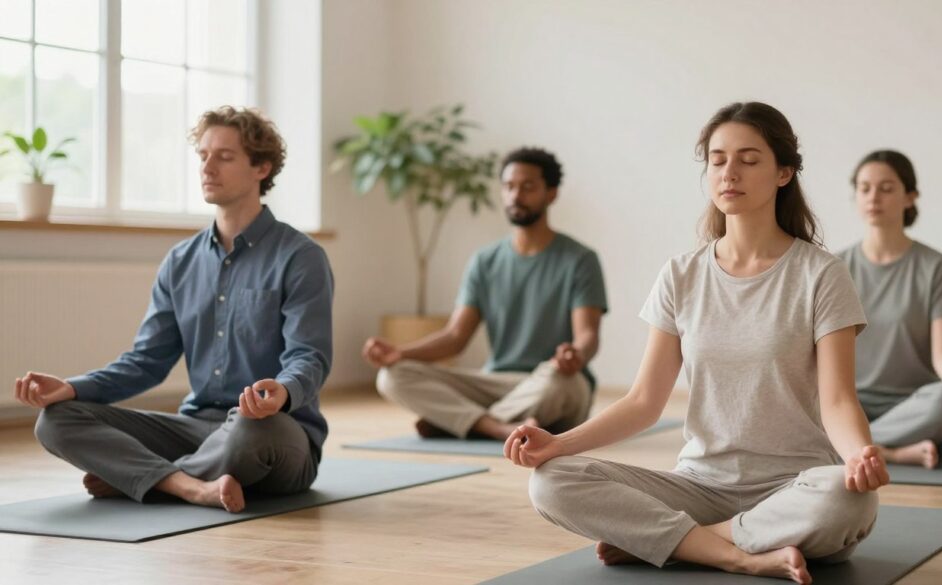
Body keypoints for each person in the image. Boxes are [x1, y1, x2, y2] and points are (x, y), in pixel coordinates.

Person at [504, 103, 888, 584]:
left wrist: (857, 455)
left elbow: (837, 400)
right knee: (551, 482)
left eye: (749, 160)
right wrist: (557, 444)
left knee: (847, 498)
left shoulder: (821, 274)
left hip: (794, 487)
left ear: (784, 172)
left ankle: (681, 539)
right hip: (699, 484)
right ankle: (734, 553)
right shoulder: (680, 275)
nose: (730, 172)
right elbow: (644, 402)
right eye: (718, 159)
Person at [13, 106, 333, 513]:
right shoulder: (180, 261)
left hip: (273, 432)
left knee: (253, 430)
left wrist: (283, 393)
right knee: (56, 420)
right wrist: (73, 388)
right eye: (203, 155)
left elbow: (310, 357)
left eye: (225, 156)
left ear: (261, 168)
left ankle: (147, 478)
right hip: (195, 429)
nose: (208, 167)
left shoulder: (301, 257)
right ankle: (189, 486)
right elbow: (146, 361)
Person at [363, 147, 608, 440]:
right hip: (494, 382)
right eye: (508, 187)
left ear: (551, 193)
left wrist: (575, 355)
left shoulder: (580, 259)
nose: (516, 195)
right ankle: (500, 427)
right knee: (392, 376)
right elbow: (455, 338)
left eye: (528, 187)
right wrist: (400, 353)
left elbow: (588, 335)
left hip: (552, 379)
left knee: (564, 383)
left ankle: (458, 421)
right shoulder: (485, 260)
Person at [839, 149, 942, 469]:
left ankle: (854, 448)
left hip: (912, 408)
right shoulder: (835, 267)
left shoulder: (936, 267)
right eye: (865, 188)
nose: (874, 197)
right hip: (848, 402)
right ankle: (888, 452)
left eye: (886, 188)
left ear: (910, 197)